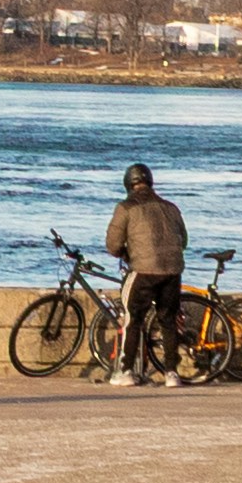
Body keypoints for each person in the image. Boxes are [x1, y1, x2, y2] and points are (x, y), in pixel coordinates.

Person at [103, 161, 190, 386]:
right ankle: (171, 373)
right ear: (150, 182)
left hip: (143, 270)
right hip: (172, 270)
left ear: (128, 185)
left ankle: (125, 371)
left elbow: (112, 245)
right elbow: (184, 240)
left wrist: (126, 253)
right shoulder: (170, 207)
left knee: (133, 319)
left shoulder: (125, 207)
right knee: (168, 321)